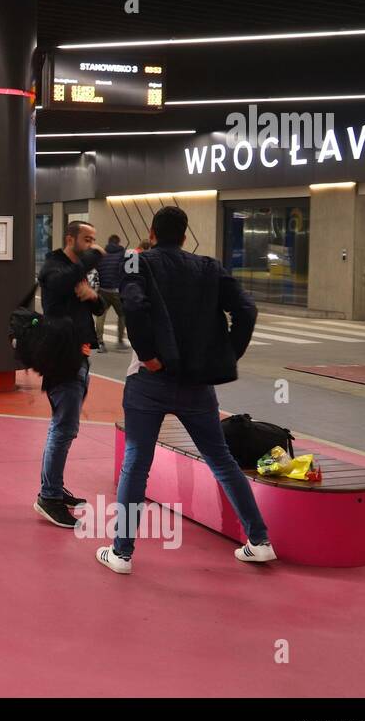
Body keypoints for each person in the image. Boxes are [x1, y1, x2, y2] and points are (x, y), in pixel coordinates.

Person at [98, 205, 273, 575]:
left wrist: (148, 354)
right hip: (198, 383)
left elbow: (133, 303)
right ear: (185, 233)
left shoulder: (138, 261)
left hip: (150, 382)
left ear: (153, 231)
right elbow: (247, 309)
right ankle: (259, 540)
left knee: (136, 463)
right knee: (221, 460)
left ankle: (122, 553)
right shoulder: (209, 267)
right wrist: (226, 354)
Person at [33, 220, 105, 528]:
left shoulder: (79, 271)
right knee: (64, 427)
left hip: (81, 355)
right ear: (70, 239)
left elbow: (99, 307)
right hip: (62, 358)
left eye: (93, 240)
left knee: (61, 425)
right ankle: (48, 497)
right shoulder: (54, 266)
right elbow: (61, 284)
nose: (91, 245)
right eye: (86, 239)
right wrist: (91, 259)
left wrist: (92, 297)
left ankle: (53, 487)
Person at [95, 234, 127, 352]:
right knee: (122, 314)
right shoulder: (123, 254)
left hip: (103, 289)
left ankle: (100, 342)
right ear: (118, 243)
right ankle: (120, 341)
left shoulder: (102, 255)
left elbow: (97, 270)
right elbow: (125, 270)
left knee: (101, 315)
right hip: (117, 290)